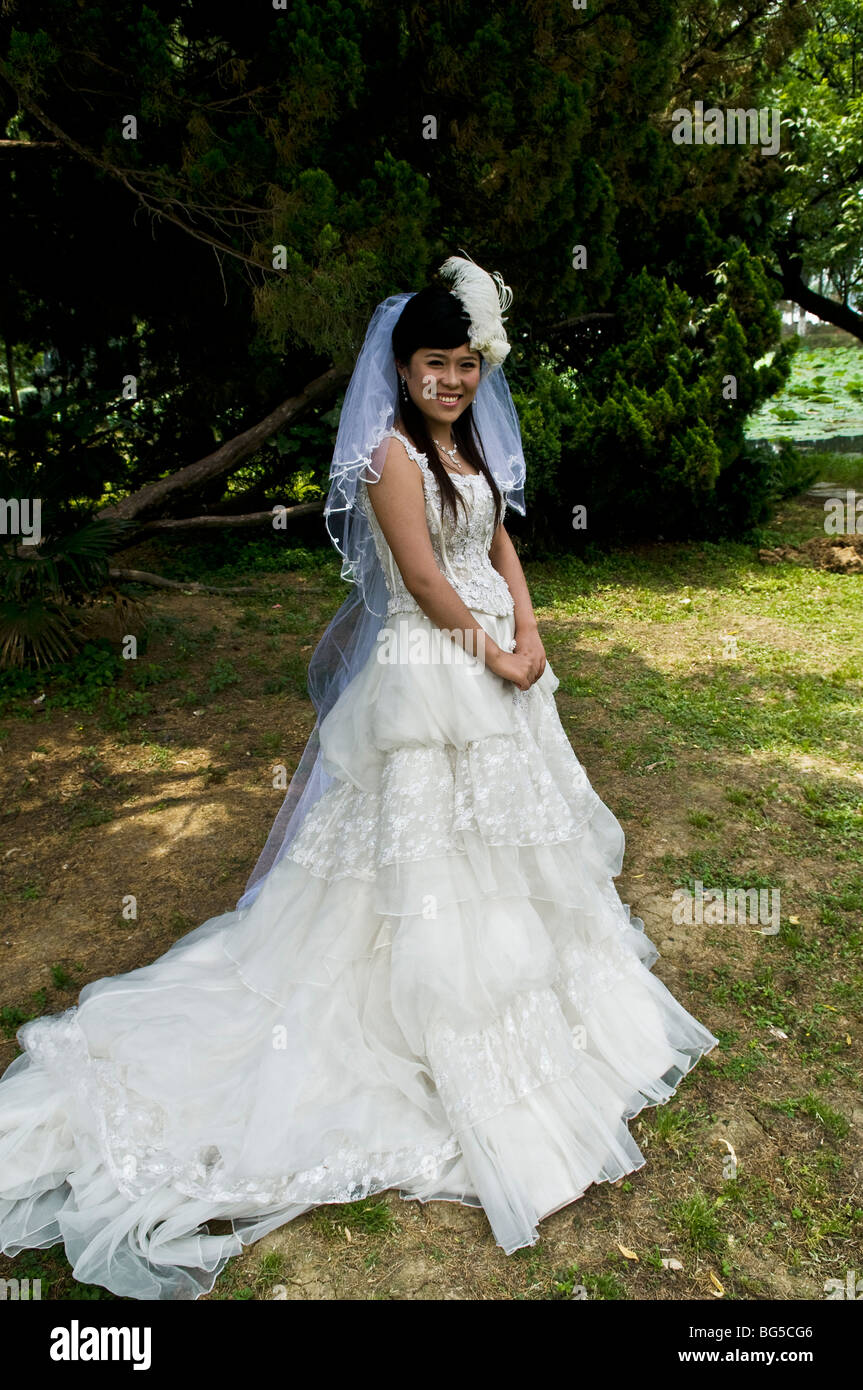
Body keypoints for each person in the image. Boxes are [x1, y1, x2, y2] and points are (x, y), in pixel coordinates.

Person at [0, 256, 718, 1300]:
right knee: (422, 848)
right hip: (437, 670)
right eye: (436, 364)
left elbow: (498, 542)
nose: (453, 381)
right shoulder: (387, 455)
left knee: (514, 843)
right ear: (404, 365)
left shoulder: (464, 446)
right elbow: (425, 581)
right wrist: (493, 653)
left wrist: (532, 633)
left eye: (467, 364)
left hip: (499, 656)